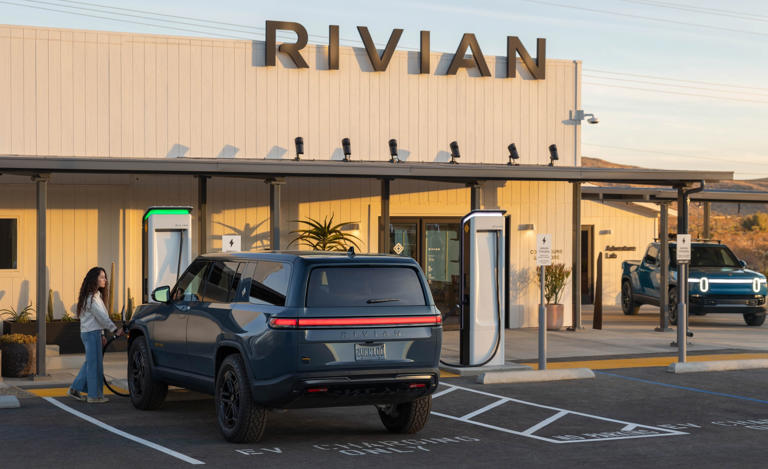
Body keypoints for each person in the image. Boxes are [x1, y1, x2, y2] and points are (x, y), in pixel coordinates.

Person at [67, 267, 123, 403]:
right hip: (91, 333)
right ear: (94, 279)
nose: (105, 280)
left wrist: (102, 334)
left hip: (93, 332)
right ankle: (94, 396)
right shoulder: (91, 299)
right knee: (94, 365)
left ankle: (76, 389)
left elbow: (97, 318)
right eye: (102, 277)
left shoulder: (95, 296)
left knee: (92, 363)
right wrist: (115, 329)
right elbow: (102, 317)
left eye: (105, 277)